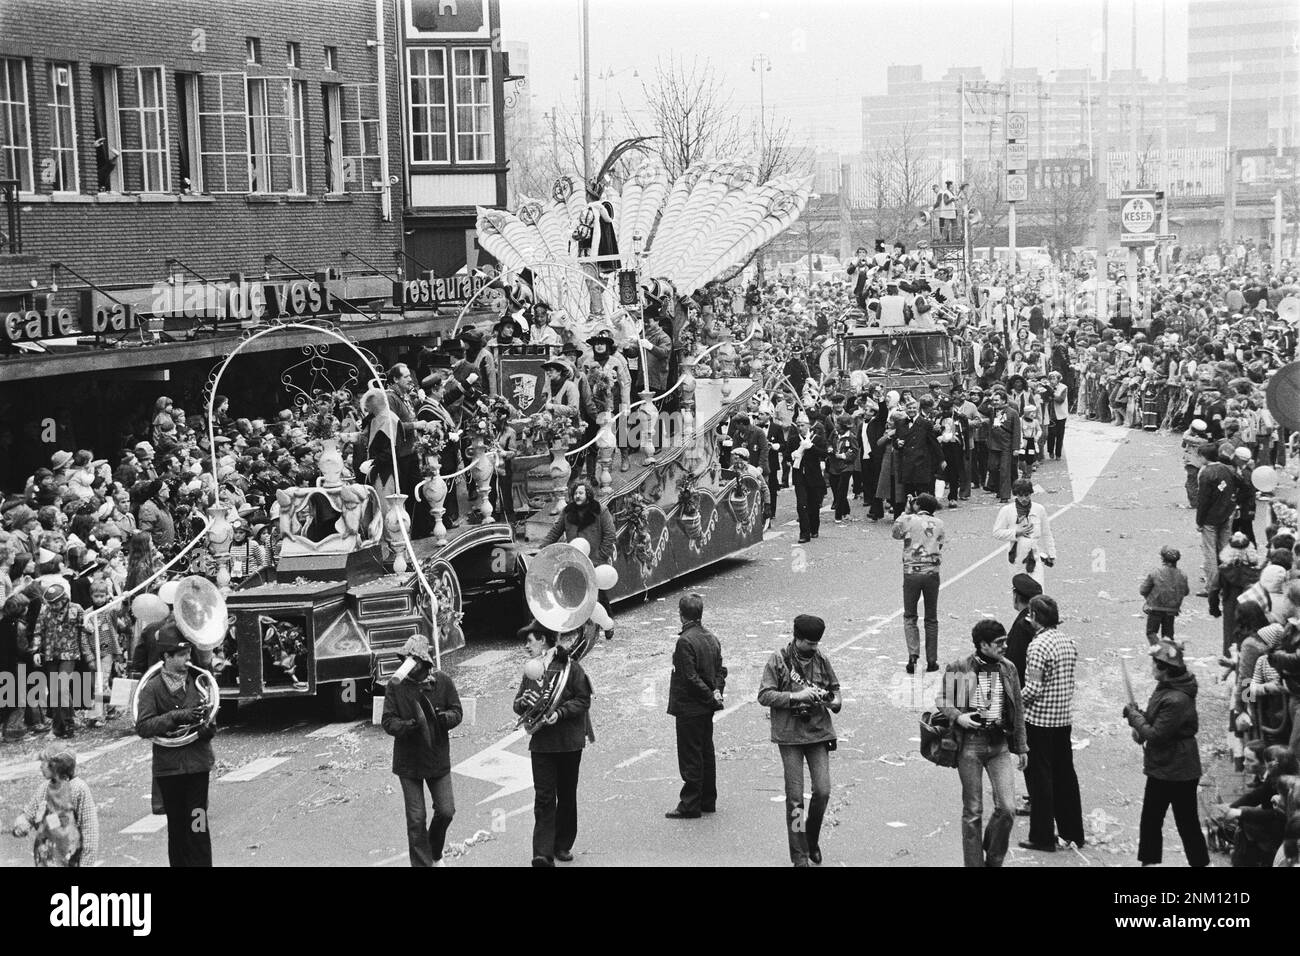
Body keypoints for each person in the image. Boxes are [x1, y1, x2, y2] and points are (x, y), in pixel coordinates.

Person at [936, 619, 1028, 867]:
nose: (1005, 646)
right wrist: (959, 717)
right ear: (982, 645)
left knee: (1008, 808)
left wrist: (1021, 747)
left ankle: (994, 859)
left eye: (1005, 641)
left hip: (999, 746)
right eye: (999, 643)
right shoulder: (961, 667)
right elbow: (942, 699)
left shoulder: (1008, 669)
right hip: (970, 747)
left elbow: (1017, 708)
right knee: (973, 812)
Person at [757, 614, 842, 867]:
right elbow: (764, 695)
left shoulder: (822, 659)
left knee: (823, 791)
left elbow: (837, 698)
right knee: (795, 799)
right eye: (809, 644)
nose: (814, 648)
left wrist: (827, 700)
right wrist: (797, 697)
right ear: (797, 638)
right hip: (789, 735)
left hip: (818, 732)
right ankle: (799, 856)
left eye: (817, 644)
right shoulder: (778, 660)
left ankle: (810, 839)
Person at [1123, 640, 1211, 867]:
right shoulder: (1168, 688)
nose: (1151, 668)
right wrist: (1140, 716)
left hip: (1176, 767)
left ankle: (1200, 864)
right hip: (1165, 764)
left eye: (1154, 664)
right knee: (1151, 819)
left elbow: (1156, 734)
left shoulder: (1176, 698)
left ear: (1165, 668)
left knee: (1186, 822)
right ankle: (1149, 862)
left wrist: (1134, 717)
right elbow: (1156, 722)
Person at [134, 625, 215, 867]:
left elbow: (211, 719)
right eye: (181, 655)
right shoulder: (152, 688)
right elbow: (144, 727)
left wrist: (208, 730)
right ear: (166, 657)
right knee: (177, 828)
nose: (187, 659)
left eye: (189, 653)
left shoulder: (200, 683)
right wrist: (177, 717)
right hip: (169, 769)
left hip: (197, 765)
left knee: (198, 824)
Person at [515, 620, 593, 866]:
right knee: (544, 797)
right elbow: (518, 703)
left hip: (569, 742)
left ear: (543, 640)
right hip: (542, 744)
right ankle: (542, 852)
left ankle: (562, 844)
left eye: (529, 641)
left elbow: (583, 700)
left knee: (567, 795)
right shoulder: (531, 669)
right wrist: (523, 703)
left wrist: (560, 713)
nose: (526, 646)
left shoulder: (571, 667)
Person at [381, 634, 462, 867]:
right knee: (416, 819)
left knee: (446, 811)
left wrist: (442, 718)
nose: (407, 662)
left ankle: (434, 851)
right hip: (409, 762)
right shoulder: (395, 686)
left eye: (412, 658)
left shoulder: (443, 681)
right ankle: (422, 864)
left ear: (424, 663)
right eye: (405, 658)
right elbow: (388, 721)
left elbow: (457, 712)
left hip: (436, 758)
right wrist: (408, 726)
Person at [1018, 595, 1085, 852]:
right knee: (1065, 776)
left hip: (1039, 721)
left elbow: (1033, 688)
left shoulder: (1037, 647)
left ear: (1035, 617)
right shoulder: (1068, 642)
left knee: (1040, 780)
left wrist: (1013, 704)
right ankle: (1073, 832)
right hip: (1062, 719)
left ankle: (1042, 836)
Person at [665, 593, 726, 819]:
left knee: (690, 755)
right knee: (706, 752)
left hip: (690, 707)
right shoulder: (711, 637)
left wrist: (710, 696)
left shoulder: (685, 641)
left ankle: (690, 803)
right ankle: (708, 799)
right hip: (706, 707)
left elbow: (689, 677)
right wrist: (716, 693)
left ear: (681, 615)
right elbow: (721, 671)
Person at [10, 744, 99, 867]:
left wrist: (86, 864)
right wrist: (22, 824)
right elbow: (29, 814)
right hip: (46, 859)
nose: (40, 766)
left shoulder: (78, 789)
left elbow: (90, 832)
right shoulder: (44, 788)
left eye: (44, 763)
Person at [891, 492, 945, 674]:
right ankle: (932, 660)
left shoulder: (908, 520)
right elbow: (940, 544)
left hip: (911, 573)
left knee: (910, 616)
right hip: (931, 573)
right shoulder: (939, 524)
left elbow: (895, 533)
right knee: (931, 617)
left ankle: (913, 655)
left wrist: (905, 511)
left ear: (916, 506)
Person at [992, 478, 1057, 587]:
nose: (1023, 499)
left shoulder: (1039, 509)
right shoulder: (1007, 511)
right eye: (1020, 495)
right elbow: (997, 532)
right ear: (1015, 495)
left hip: (1034, 556)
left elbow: (1046, 533)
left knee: (1038, 589)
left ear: (1031, 494)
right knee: (1020, 593)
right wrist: (1016, 532)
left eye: (1026, 495)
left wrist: (1051, 553)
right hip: (1016, 557)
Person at [1196, 442, 1238, 598]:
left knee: (1210, 552)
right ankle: (1228, 583)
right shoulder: (1226, 469)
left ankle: (1212, 587)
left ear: (1203, 457)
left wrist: (1199, 521)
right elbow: (1240, 484)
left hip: (1210, 518)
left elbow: (1203, 501)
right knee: (1225, 550)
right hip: (1227, 513)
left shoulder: (1206, 474)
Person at [788, 411, 828, 544]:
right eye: (798, 425)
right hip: (799, 476)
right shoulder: (794, 439)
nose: (800, 427)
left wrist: (812, 447)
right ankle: (804, 533)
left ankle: (814, 528)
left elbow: (824, 454)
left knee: (813, 504)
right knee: (801, 505)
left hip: (814, 476)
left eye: (802, 425)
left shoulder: (817, 439)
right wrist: (793, 455)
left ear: (808, 426)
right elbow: (787, 455)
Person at [1139, 545, 1190, 644]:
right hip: (1172, 610)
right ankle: (1168, 654)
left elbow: (1143, 590)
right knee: (1168, 635)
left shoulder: (1155, 572)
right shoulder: (1183, 575)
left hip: (1155, 608)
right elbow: (1186, 592)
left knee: (1151, 632)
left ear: (1162, 559)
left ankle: (1158, 650)